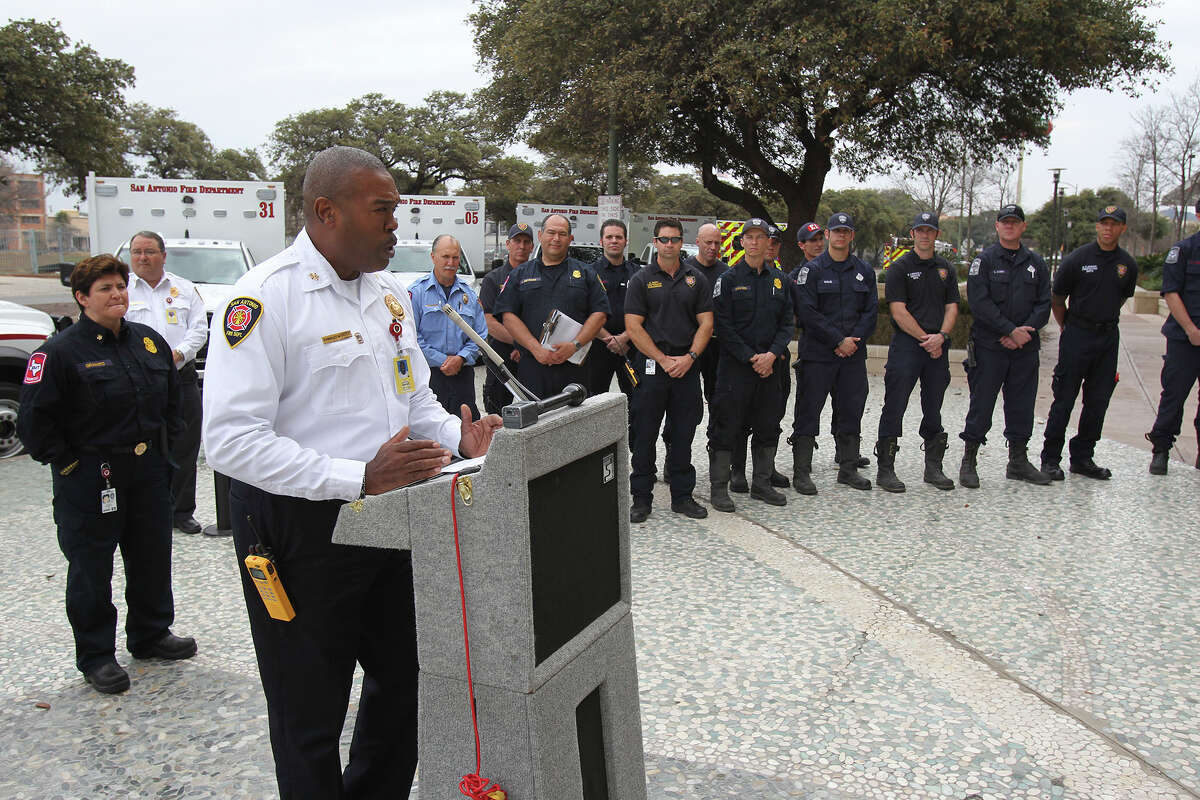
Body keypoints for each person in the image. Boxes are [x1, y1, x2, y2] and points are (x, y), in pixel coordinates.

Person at [201, 146, 502, 799]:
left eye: (397, 211)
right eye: (383, 211)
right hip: (300, 529)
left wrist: (459, 436)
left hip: (391, 520)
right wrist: (357, 476)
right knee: (310, 708)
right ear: (325, 212)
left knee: (407, 679)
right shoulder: (263, 299)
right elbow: (229, 441)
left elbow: (415, 398)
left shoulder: (389, 295)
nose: (397, 226)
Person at [18, 254, 195, 695]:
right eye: (105, 289)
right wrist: (70, 464)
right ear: (82, 298)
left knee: (152, 556)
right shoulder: (59, 353)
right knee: (91, 569)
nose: (117, 294)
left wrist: (165, 451)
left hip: (148, 472)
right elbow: (35, 423)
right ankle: (97, 655)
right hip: (91, 477)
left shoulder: (149, 342)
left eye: (121, 286)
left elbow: (172, 403)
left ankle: (151, 633)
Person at [1039, 206, 1138, 480]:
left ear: (1122, 228)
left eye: (1114, 224)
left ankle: (1083, 457)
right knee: (1064, 398)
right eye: (1103, 223)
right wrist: (1067, 327)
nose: (1108, 228)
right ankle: (1050, 458)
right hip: (1077, 334)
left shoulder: (1127, 265)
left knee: (1097, 401)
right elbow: (1057, 299)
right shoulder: (1077, 259)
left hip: (1107, 338)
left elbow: (1121, 298)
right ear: (1097, 227)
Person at [123, 230, 212, 534]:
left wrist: (178, 355)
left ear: (163, 255)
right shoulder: (122, 291)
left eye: (149, 252)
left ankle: (181, 511)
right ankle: (145, 511)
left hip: (179, 377)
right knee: (141, 447)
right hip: (136, 382)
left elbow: (199, 330)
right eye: (136, 252)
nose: (142, 258)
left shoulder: (184, 289)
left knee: (184, 447)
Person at [625, 219, 714, 522]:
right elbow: (633, 327)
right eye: (664, 240)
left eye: (675, 240)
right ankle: (641, 498)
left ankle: (682, 496)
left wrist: (689, 357)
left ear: (681, 243)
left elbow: (706, 323)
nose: (669, 245)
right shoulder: (641, 279)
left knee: (682, 434)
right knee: (645, 435)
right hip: (652, 368)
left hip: (687, 368)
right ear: (656, 242)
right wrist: (663, 360)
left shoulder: (697, 279)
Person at [958, 205, 1053, 487]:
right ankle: (969, 460)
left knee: (1022, 406)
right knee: (982, 404)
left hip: (1024, 348)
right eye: (1005, 222)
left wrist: (1023, 332)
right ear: (997, 227)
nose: (1009, 226)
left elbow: (1044, 304)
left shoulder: (1037, 263)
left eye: (1015, 222)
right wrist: (1009, 330)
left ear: (1023, 227)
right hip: (990, 347)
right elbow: (979, 303)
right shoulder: (983, 261)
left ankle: (1018, 462)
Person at [707, 217, 794, 511]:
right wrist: (751, 357)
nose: (756, 242)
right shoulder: (728, 280)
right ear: (742, 242)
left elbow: (787, 324)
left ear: (769, 243)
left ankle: (761, 484)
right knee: (726, 427)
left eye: (761, 237)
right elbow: (724, 326)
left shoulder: (779, 280)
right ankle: (719, 488)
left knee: (768, 425)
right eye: (750, 237)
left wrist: (771, 355)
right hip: (736, 369)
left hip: (770, 368)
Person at [791, 212, 878, 493]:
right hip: (819, 355)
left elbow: (870, 313)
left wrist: (852, 341)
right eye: (836, 231)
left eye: (846, 231)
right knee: (808, 412)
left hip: (852, 356)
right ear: (828, 235)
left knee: (851, 411)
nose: (841, 236)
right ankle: (802, 471)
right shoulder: (811, 271)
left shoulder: (864, 270)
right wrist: (837, 340)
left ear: (852, 236)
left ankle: (848, 468)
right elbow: (807, 312)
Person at [873, 213, 960, 493]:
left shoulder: (946, 268)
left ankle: (933, 467)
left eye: (930, 231)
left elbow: (952, 307)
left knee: (933, 406)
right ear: (912, 234)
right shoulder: (899, 268)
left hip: (937, 347)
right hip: (909, 346)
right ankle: (886, 469)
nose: (925, 235)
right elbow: (898, 310)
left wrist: (942, 337)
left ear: (936, 234)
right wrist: (926, 339)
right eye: (920, 230)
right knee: (895, 404)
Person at [495, 213, 609, 398]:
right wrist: (535, 349)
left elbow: (600, 314)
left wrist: (575, 345)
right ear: (540, 236)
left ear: (570, 239)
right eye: (551, 232)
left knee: (576, 423)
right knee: (536, 423)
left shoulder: (586, 273)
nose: (556, 238)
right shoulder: (520, 274)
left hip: (574, 368)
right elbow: (508, 315)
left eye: (562, 234)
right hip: (533, 367)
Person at [1146, 197, 1200, 474]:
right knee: (1174, 396)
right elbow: (1171, 292)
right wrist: (1191, 330)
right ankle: (1161, 450)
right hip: (1184, 339)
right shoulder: (1184, 250)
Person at [410, 234, 489, 419]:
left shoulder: (469, 293)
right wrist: (442, 360)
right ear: (433, 257)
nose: (451, 262)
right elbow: (411, 337)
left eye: (455, 257)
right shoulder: (417, 293)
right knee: (430, 436)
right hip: (429, 376)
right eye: (445, 257)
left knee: (466, 432)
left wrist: (461, 358)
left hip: (462, 377)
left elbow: (480, 335)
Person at [479, 223, 534, 414]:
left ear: (532, 247)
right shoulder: (493, 280)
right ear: (508, 244)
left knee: (535, 414)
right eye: (517, 241)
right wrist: (521, 343)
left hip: (532, 359)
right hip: (501, 357)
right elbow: (489, 322)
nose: (522, 246)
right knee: (498, 415)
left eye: (526, 242)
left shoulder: (540, 277)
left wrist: (528, 347)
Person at [585, 219, 639, 399]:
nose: (614, 240)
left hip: (631, 346)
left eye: (618, 237)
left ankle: (631, 429)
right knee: (594, 401)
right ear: (601, 241)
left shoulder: (638, 274)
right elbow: (585, 312)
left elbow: (647, 311)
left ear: (626, 241)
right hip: (598, 348)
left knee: (635, 399)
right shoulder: (589, 273)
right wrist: (610, 339)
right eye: (609, 237)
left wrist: (624, 338)